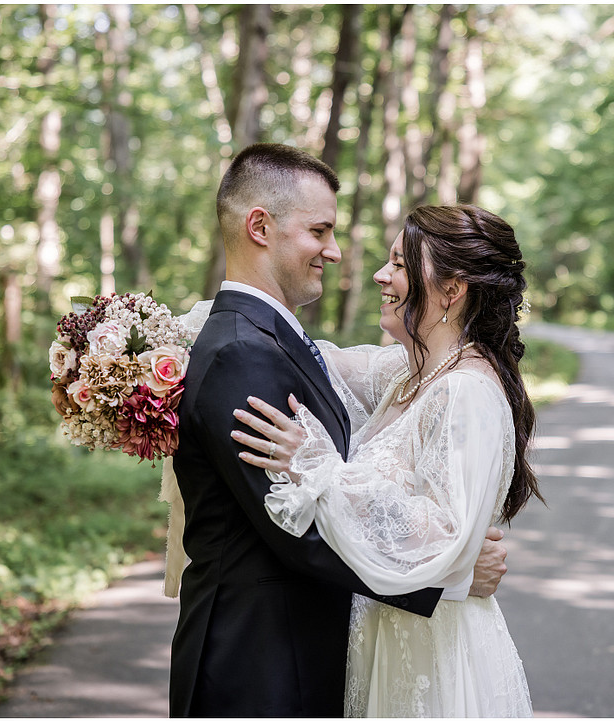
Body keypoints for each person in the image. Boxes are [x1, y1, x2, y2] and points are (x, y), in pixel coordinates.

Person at [168, 144, 509, 717]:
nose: (339, 252)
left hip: (331, 656)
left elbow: (334, 374)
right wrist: (452, 571)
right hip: (258, 669)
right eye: (321, 230)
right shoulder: (243, 354)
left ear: (452, 291)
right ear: (260, 226)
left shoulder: (434, 378)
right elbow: (297, 531)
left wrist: (451, 554)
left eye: (399, 264)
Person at [233, 204, 541, 716]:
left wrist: (316, 466)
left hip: (433, 651)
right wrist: (140, 342)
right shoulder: (409, 372)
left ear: (451, 290)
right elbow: (310, 353)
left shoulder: (465, 392)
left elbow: (444, 534)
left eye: (399, 264)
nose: (381, 274)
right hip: (388, 637)